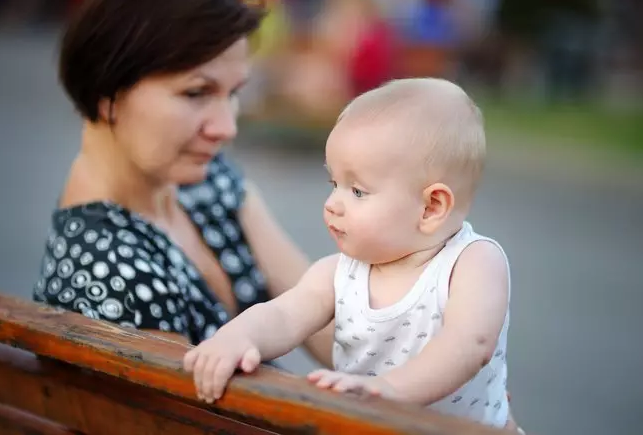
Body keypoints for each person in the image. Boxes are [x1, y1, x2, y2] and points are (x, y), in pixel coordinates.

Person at [183, 78, 515, 430]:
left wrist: (389, 389)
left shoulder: (472, 263)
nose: (332, 205)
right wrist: (238, 337)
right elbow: (283, 315)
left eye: (357, 191)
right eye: (334, 184)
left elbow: (467, 345)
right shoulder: (339, 274)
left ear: (431, 207)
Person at [31, 0, 333, 368]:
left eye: (233, 93)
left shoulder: (205, 179)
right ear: (106, 95)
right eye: (196, 92)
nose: (227, 128)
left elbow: (319, 313)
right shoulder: (109, 273)